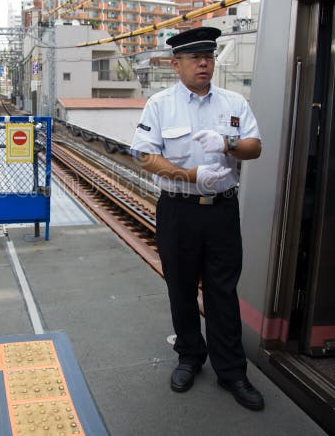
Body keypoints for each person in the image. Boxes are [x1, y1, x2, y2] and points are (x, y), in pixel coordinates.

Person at [131, 26, 264, 411]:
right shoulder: (160, 105)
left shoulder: (234, 102)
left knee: (223, 290)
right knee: (182, 287)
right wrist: (190, 176)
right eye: (195, 58)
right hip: (179, 209)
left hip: (222, 210)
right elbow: (144, 155)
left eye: (209, 56)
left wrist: (228, 143)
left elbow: (255, 147)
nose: (204, 63)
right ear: (176, 65)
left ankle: (232, 371)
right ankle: (190, 356)